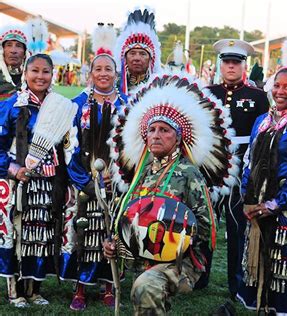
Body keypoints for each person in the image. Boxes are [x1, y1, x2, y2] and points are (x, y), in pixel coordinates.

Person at [102, 70, 237, 315]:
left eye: (165, 130)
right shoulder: (141, 173)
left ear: (178, 138)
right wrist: (115, 243)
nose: (156, 135)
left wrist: (171, 239)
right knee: (144, 292)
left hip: (181, 261)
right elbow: (128, 218)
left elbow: (206, 228)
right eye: (152, 130)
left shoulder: (189, 174)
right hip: (143, 257)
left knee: (145, 287)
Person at [238, 62, 287, 314]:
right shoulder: (262, 120)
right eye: (277, 86)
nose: (281, 92)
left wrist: (275, 204)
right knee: (260, 261)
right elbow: (249, 159)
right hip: (258, 205)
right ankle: (263, 305)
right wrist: (248, 197)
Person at [0, 53, 78, 308]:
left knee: (40, 235)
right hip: (17, 182)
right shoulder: (12, 105)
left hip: (49, 182)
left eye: (45, 72)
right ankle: (14, 291)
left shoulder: (60, 106)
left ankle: (34, 288)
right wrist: (13, 170)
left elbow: (68, 146)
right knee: (17, 234)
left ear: (52, 74)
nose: (40, 77)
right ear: (25, 73)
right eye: (35, 71)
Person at [60, 23, 128, 311]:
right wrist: (84, 182)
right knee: (82, 233)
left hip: (115, 183)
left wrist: (119, 176)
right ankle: (80, 288)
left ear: (116, 74)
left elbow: (132, 148)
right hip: (83, 182)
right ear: (90, 74)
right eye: (98, 69)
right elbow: (68, 148)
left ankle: (108, 284)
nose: (103, 73)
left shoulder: (128, 106)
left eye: (108, 69)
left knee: (111, 233)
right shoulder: (76, 105)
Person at [206, 39, 270, 296]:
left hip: (242, 167)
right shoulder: (207, 94)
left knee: (236, 227)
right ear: (221, 65)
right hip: (212, 166)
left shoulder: (258, 96)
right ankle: (199, 276)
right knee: (205, 223)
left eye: (236, 62)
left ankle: (237, 282)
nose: (231, 66)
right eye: (227, 62)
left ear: (244, 65)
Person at [115, 8, 161, 95]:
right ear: (124, 58)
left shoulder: (160, 87)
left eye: (143, 54)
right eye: (132, 53)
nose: (137, 58)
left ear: (151, 59)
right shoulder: (112, 86)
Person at [0, 24, 28, 102]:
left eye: (18, 46)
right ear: (3, 51)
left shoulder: (33, 77)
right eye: (9, 45)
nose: (13, 51)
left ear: (25, 52)